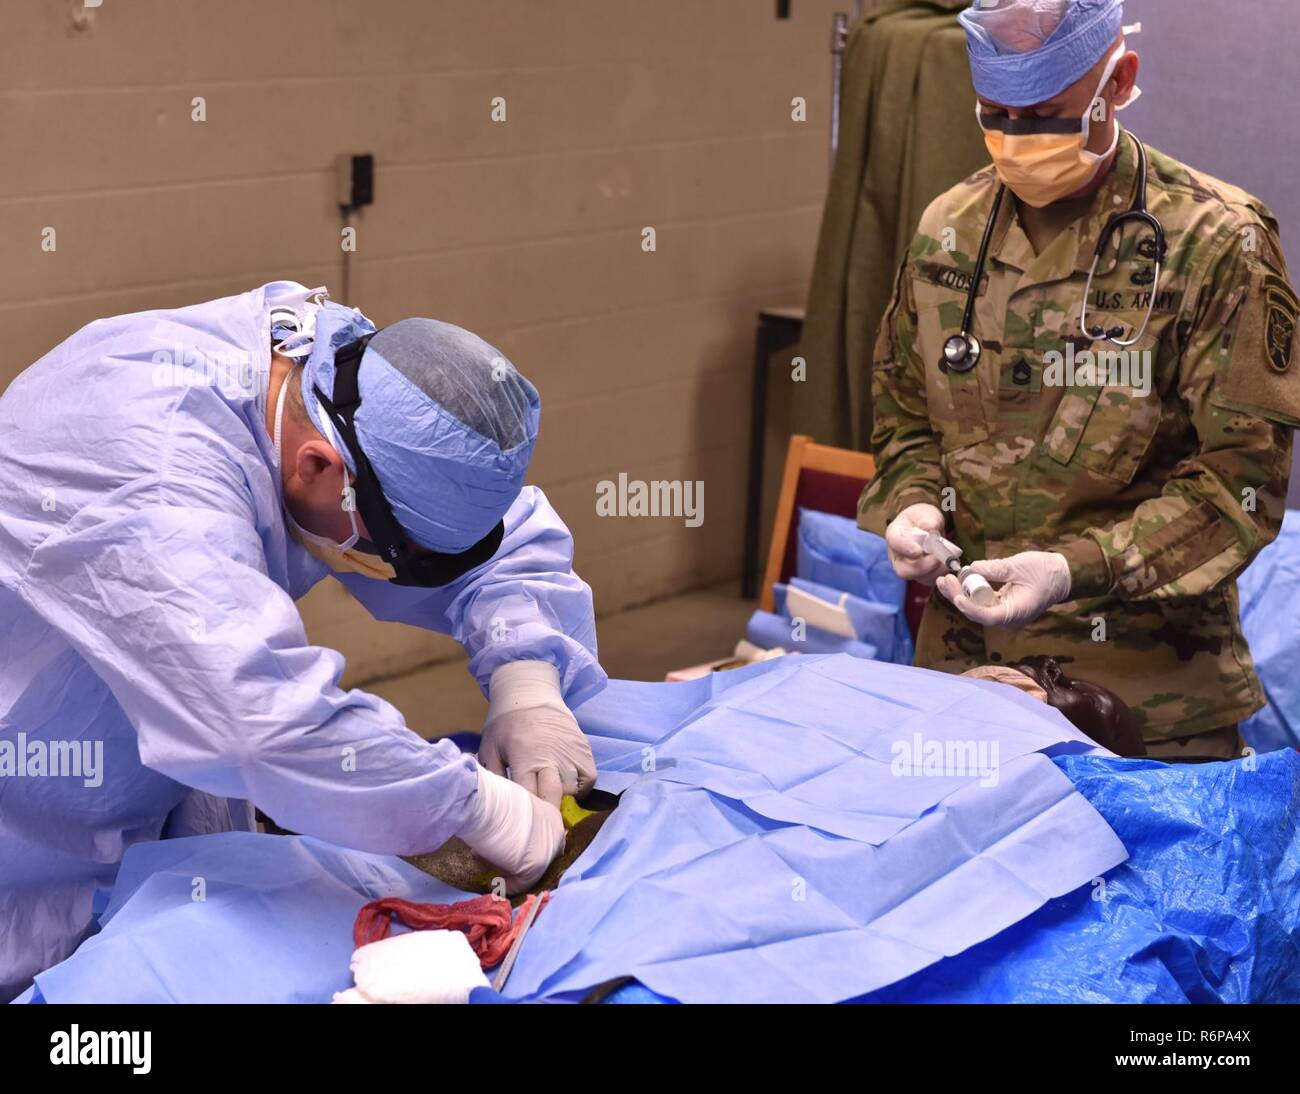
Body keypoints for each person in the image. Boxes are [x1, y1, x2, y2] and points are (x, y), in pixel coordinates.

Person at [0, 282, 605, 1000]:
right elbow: (252, 719)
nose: (398, 577)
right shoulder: (154, 473)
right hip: (34, 796)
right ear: (317, 468)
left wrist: (527, 678)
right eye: (395, 555)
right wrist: (473, 807)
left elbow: (490, 539)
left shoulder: (336, 376)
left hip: (160, 756)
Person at [860, 0, 1299, 759]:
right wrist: (914, 505)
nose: (1019, 138)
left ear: (1119, 81)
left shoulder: (1215, 242)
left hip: (1151, 706)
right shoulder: (948, 231)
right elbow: (904, 418)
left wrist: (1073, 571)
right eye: (996, 114)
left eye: (1047, 115)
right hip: (969, 684)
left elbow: (1241, 489)